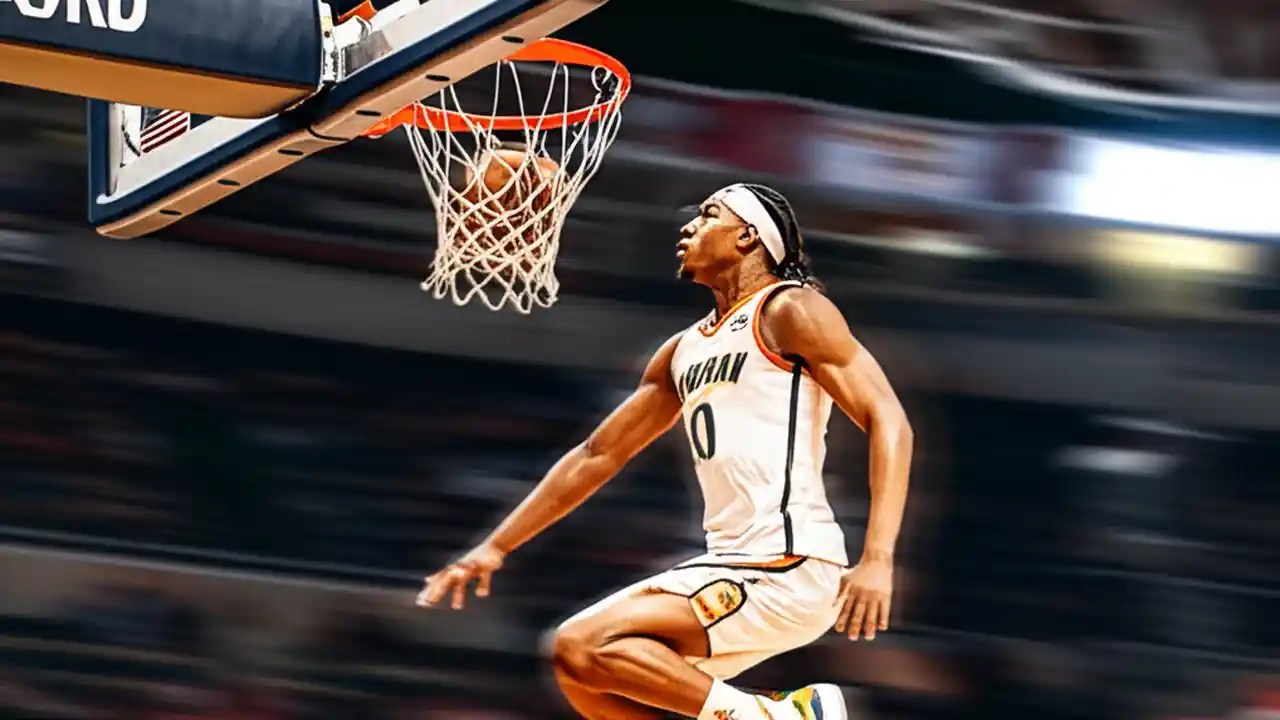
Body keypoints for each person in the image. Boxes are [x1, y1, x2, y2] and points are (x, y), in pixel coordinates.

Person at [417, 183, 914, 720]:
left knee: (583, 642)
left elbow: (889, 419)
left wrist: (878, 558)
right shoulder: (683, 350)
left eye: (708, 215)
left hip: (787, 563)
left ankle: (782, 718)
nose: (687, 227)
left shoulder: (791, 309)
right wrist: (496, 547)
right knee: (578, 667)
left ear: (747, 236)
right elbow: (596, 454)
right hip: (730, 561)